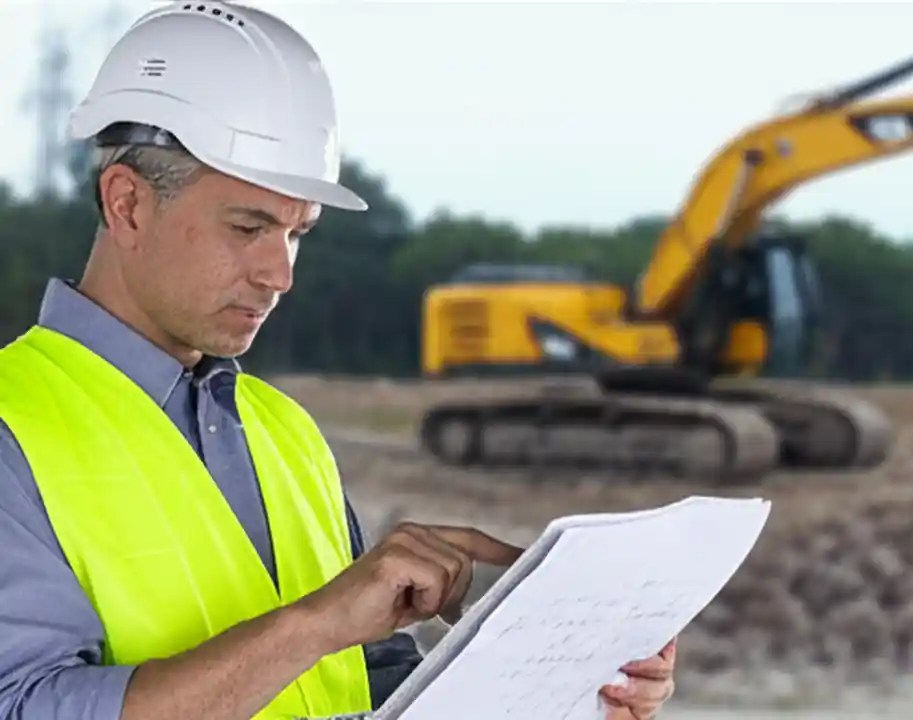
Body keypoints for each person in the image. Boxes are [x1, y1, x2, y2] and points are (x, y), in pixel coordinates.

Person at [0, 2, 677, 718]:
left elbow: (360, 692)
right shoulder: (15, 429)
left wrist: (563, 689)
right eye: (249, 226)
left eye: (297, 234)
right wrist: (319, 621)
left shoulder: (284, 432)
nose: (280, 273)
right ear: (128, 203)